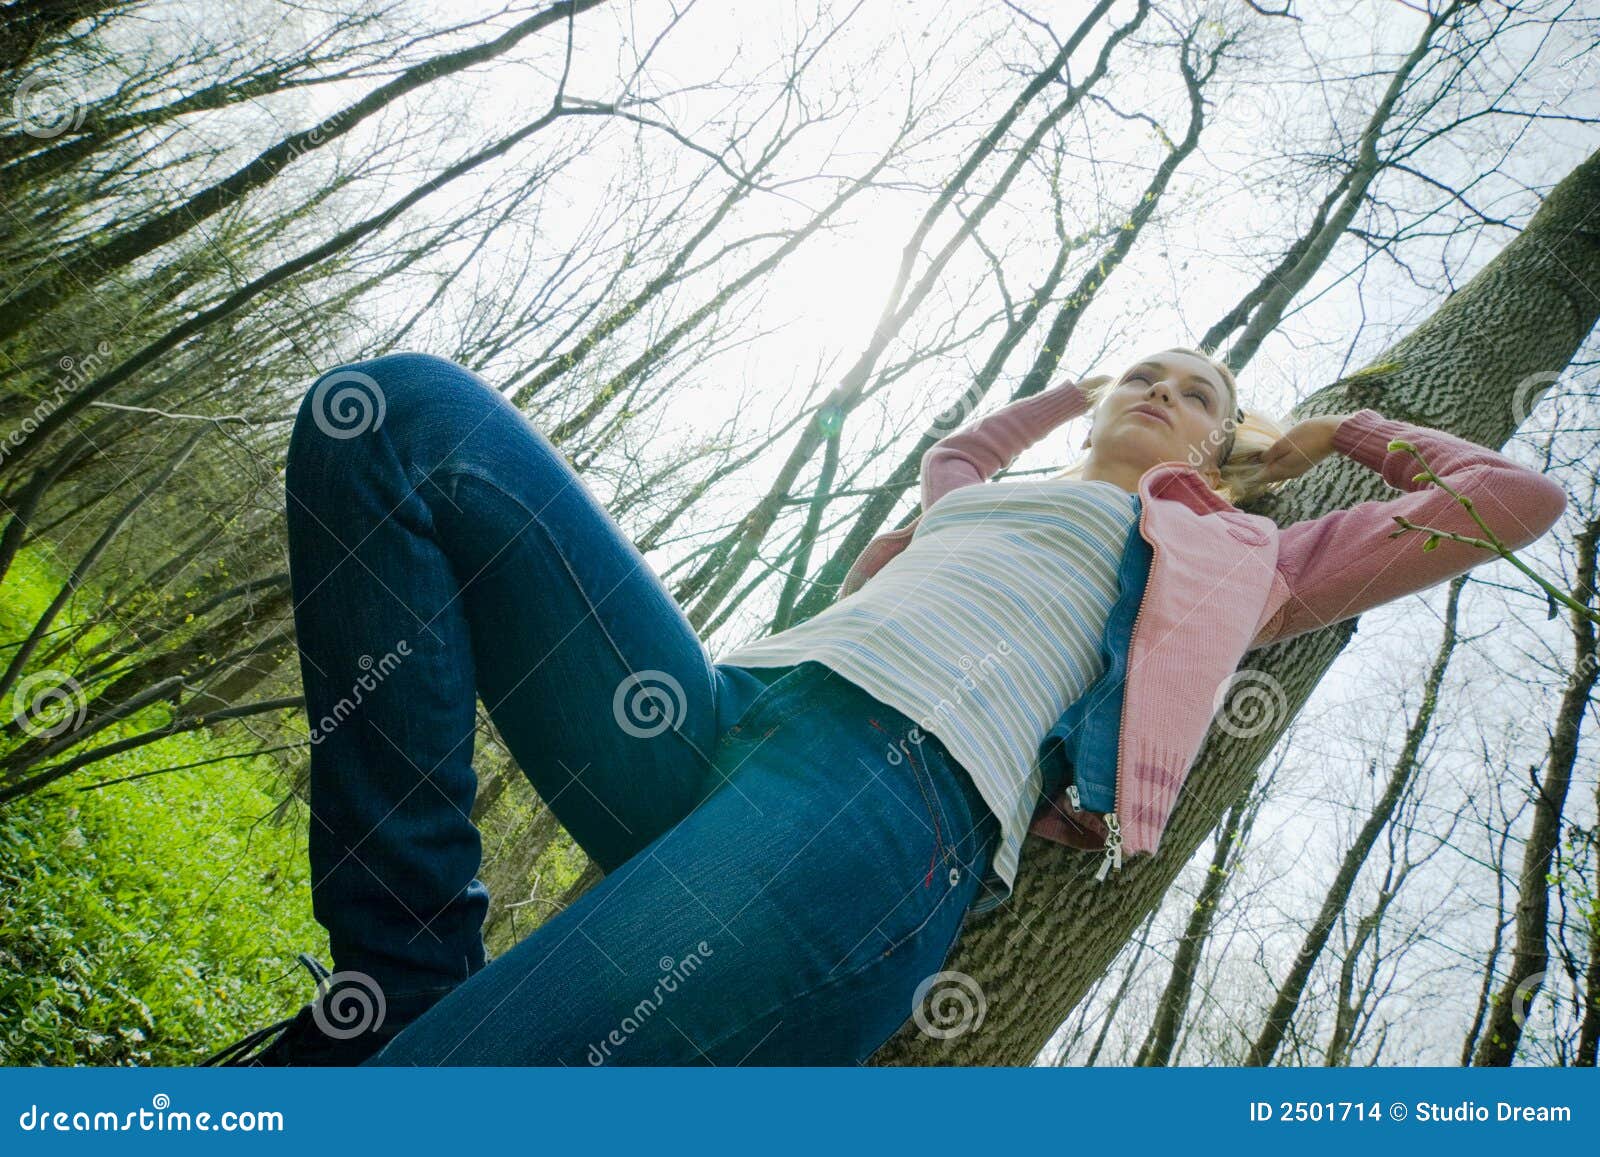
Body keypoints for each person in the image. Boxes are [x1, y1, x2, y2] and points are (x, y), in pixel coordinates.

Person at [201, 345, 1565, 1066]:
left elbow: (1511, 503)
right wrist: (1076, 392)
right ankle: (403, 973)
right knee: (395, 416)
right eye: (1145, 370)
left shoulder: (1241, 555)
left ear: (1230, 446)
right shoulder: (991, 496)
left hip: (876, 804)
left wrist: (1338, 437)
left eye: (1198, 391)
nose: (1163, 388)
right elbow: (957, 450)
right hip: (721, 717)